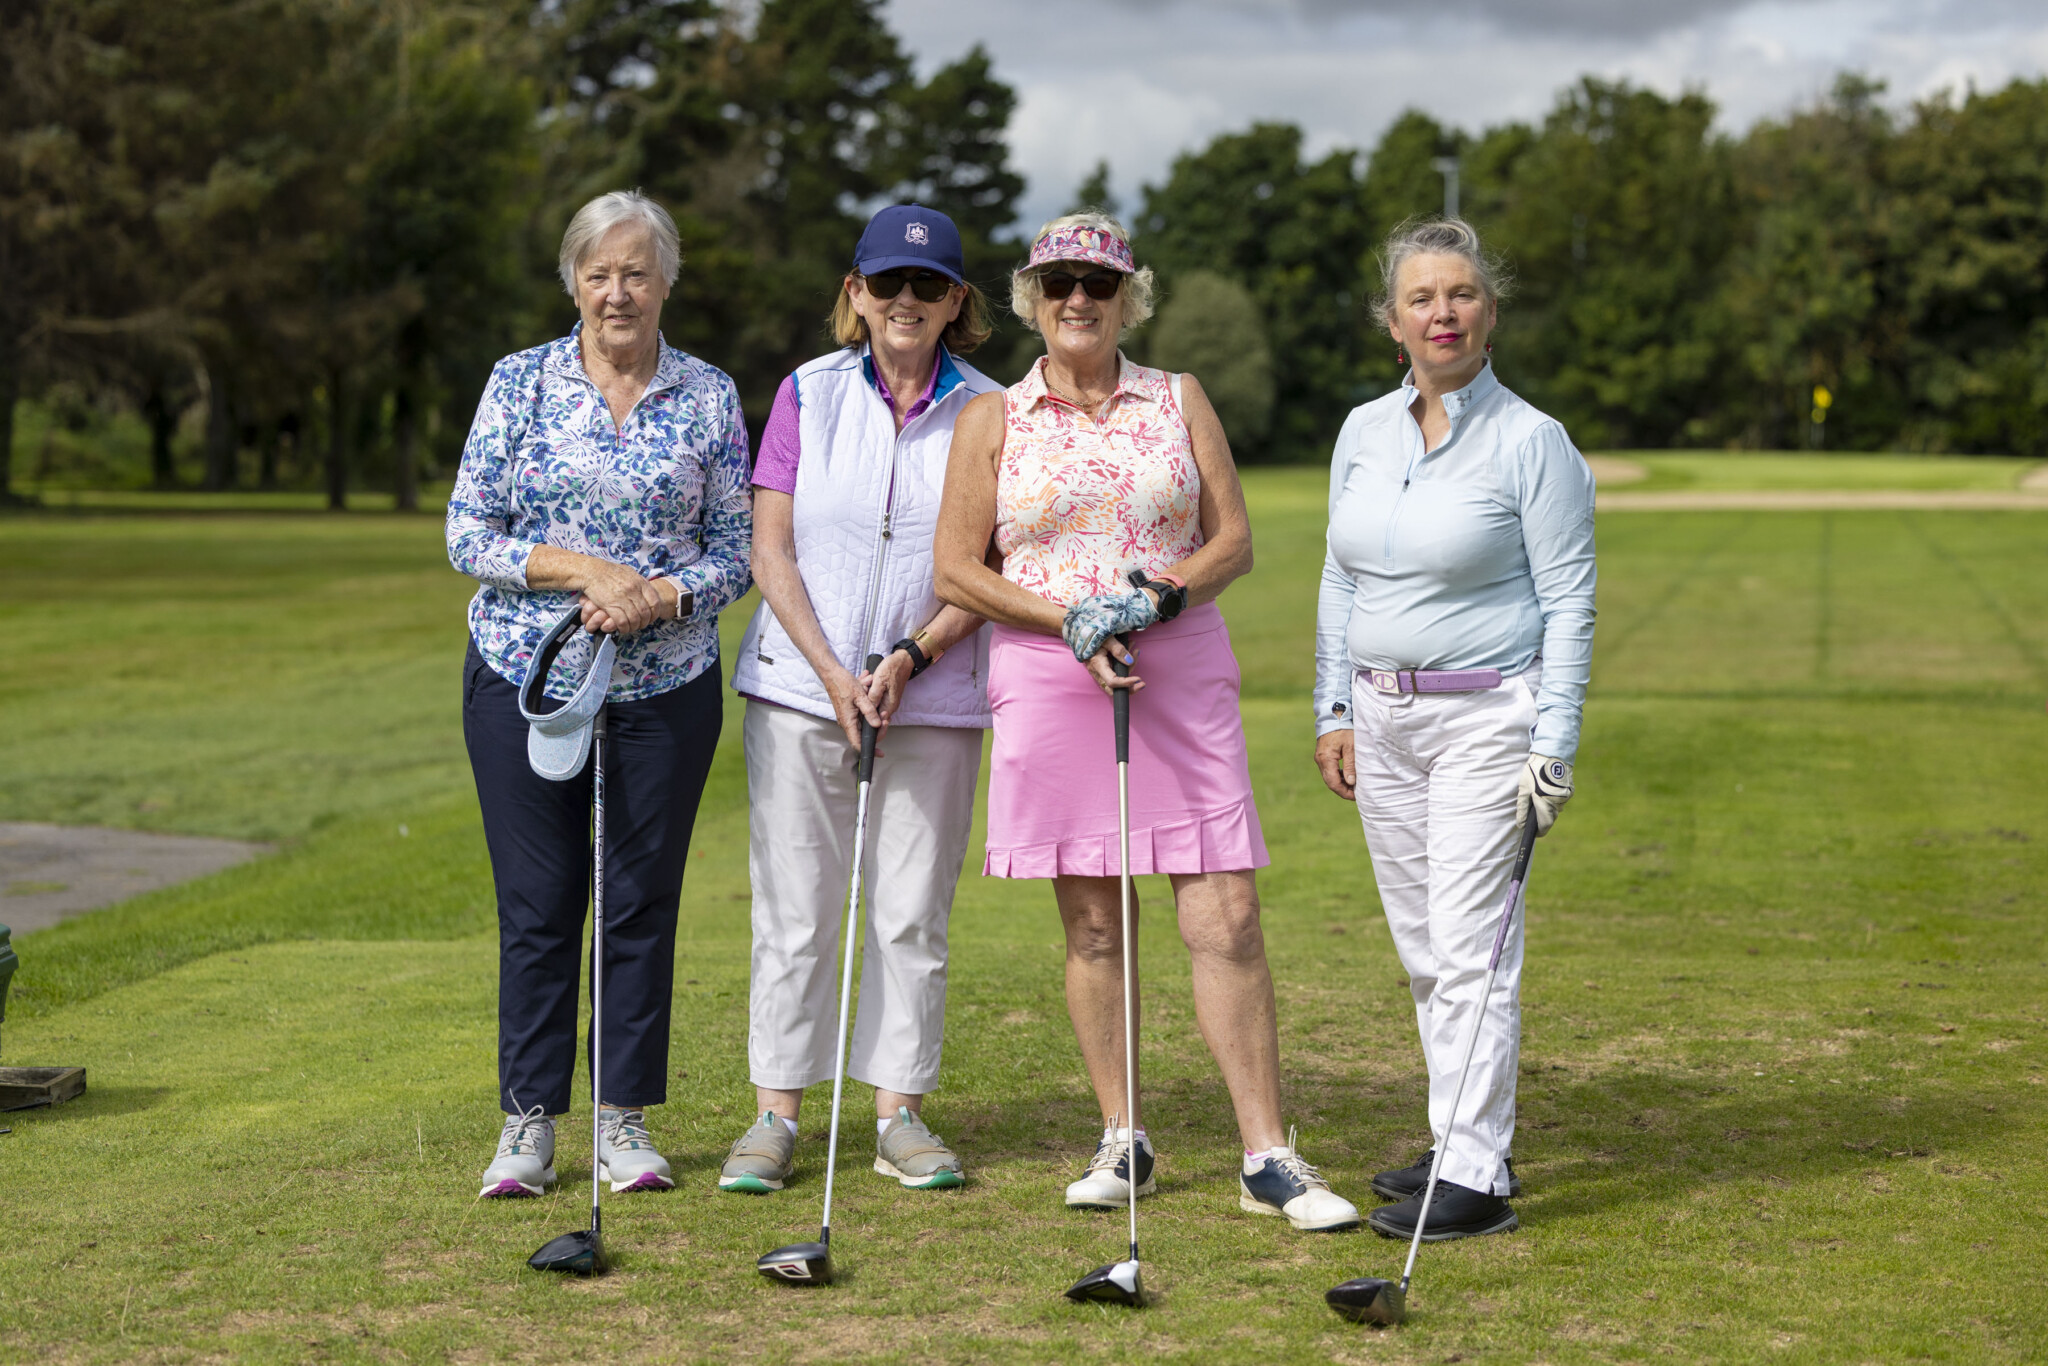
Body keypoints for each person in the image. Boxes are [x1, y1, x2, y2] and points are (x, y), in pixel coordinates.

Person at [934, 211, 1361, 1233]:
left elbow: (1234, 539)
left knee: (1225, 912)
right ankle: (1121, 1137)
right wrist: (1071, 617)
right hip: (1048, 675)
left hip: (1175, 666)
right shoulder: (993, 419)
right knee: (1092, 922)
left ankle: (1266, 1154)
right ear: (1031, 298)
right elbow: (956, 569)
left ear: (1129, 297)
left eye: (1096, 283)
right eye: (1055, 284)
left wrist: (1156, 596)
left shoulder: (1177, 397)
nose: (1075, 300)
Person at [447, 190, 752, 1199]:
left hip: (665, 683)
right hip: (523, 677)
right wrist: (584, 571)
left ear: (666, 281)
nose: (616, 292)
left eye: (636, 271)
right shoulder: (520, 382)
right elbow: (467, 533)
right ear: (573, 281)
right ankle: (527, 1123)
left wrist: (659, 593)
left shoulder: (708, 394)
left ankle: (624, 1122)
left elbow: (734, 551)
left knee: (636, 901)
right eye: (598, 272)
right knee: (539, 905)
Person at [1313, 217, 1596, 1241]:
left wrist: (1550, 744)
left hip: (1486, 716)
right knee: (1426, 946)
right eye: (1421, 297)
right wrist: (1331, 706)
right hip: (1380, 719)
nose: (1442, 312)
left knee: (1473, 946)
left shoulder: (1532, 443)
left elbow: (1568, 600)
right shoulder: (1362, 431)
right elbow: (1340, 576)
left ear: (1489, 312)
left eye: (1461, 293)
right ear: (1392, 323)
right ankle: (1457, 1137)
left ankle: (1474, 1175)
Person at [718, 205, 1002, 1195]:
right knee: (794, 910)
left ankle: (899, 1112)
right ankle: (774, 1114)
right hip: (800, 690)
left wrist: (909, 658)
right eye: (886, 284)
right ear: (855, 293)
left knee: (909, 912)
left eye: (927, 287)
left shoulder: (990, 409)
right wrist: (836, 670)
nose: (905, 303)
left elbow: (987, 566)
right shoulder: (807, 391)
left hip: (934, 692)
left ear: (956, 301)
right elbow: (770, 548)